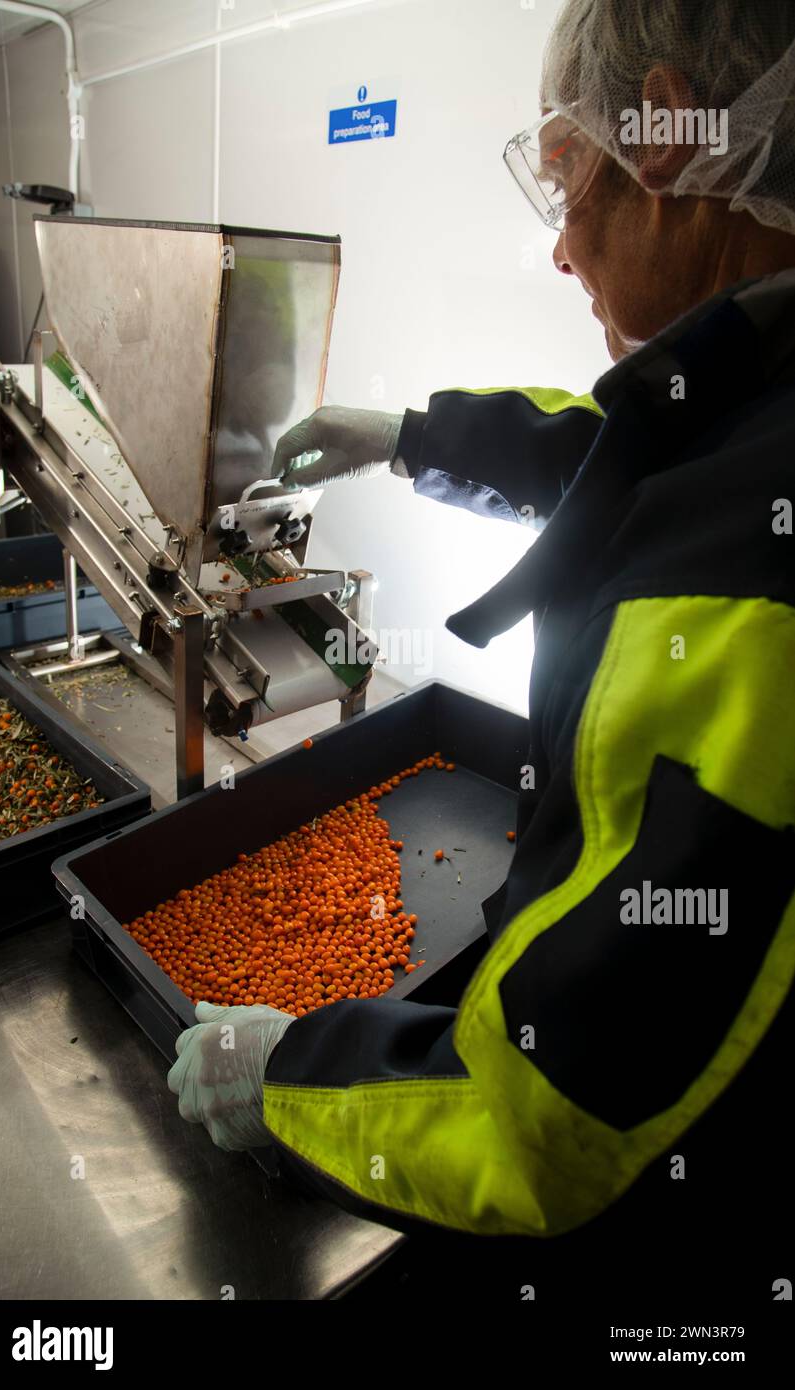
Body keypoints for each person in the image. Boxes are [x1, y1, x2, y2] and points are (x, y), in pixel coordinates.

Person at [168, 0, 795, 1305]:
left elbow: (558, 1108)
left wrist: (297, 1078)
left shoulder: (740, 591)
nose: (561, 247)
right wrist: (407, 431)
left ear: (667, 140)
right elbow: (627, 451)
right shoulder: (753, 406)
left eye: (566, 179)